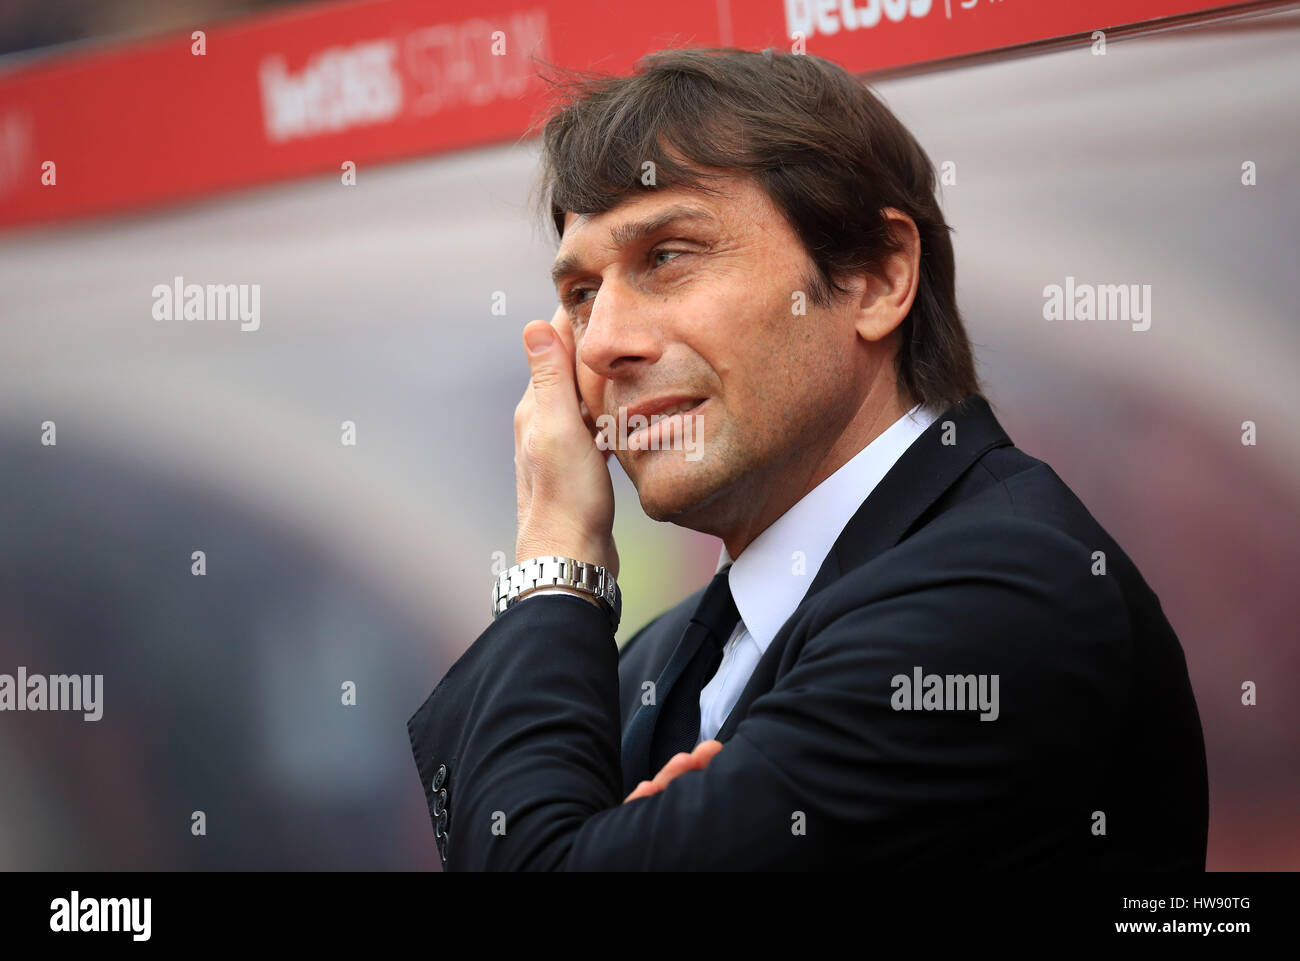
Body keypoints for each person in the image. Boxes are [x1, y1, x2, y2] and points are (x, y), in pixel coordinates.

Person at [406, 47, 1208, 870]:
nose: (603, 342)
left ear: (875, 277)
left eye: (669, 256)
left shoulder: (1009, 591)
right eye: (581, 295)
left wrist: (556, 560)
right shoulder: (659, 654)